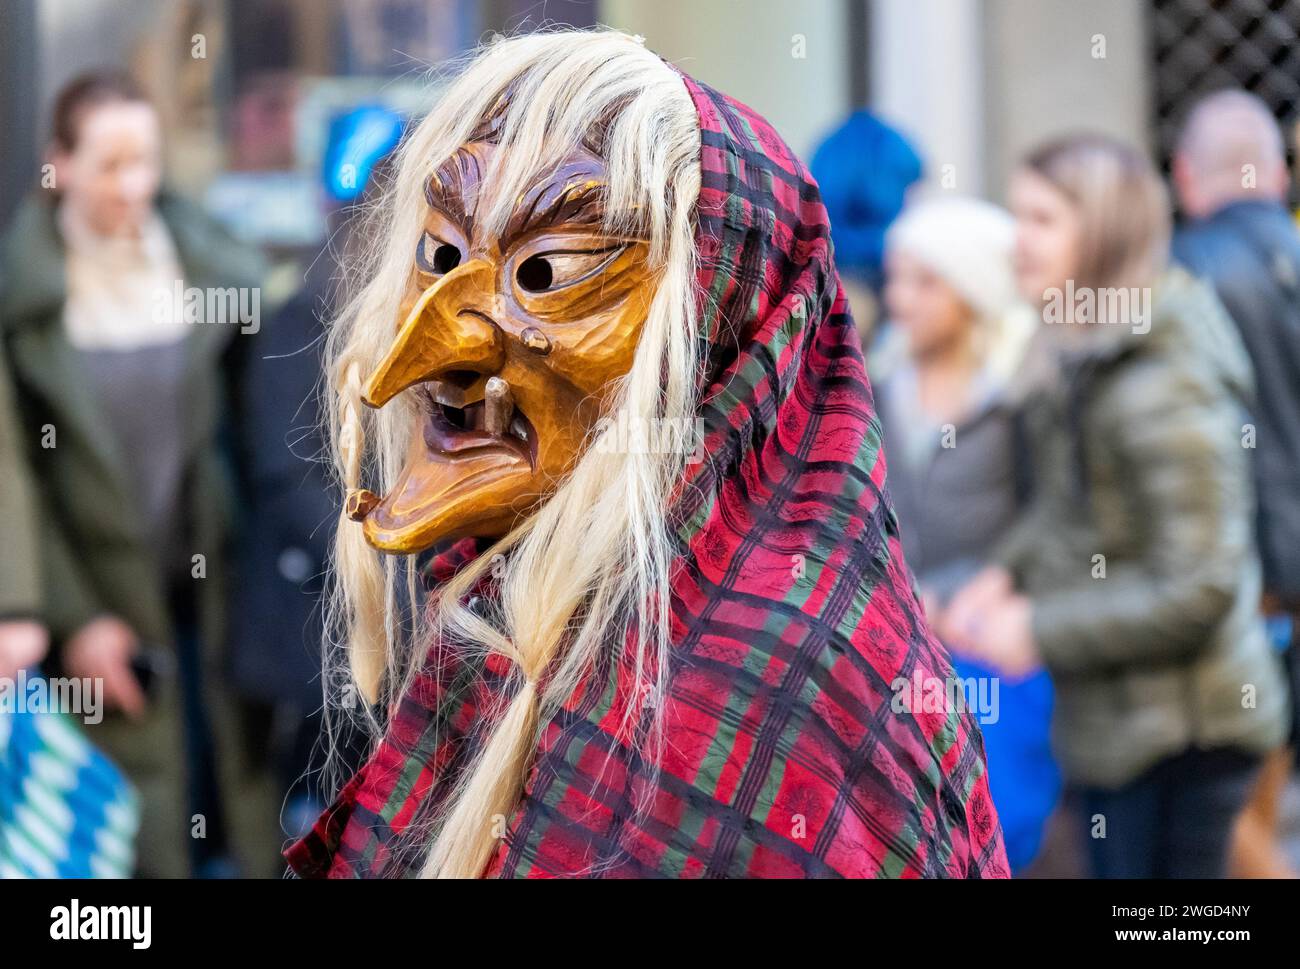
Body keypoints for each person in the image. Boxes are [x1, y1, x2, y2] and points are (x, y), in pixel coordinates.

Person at [285, 29, 1008, 879]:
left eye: (548, 272)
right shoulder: (507, 597)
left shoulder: (772, 685)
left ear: (711, 329)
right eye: (440, 255)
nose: (428, 351)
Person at [942, 134, 1289, 878]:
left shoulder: (1159, 375)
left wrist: (1039, 627)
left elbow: (1201, 583)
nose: (1017, 242)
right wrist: (1002, 576)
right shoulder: (1086, 350)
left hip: (1182, 733)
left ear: (1099, 230)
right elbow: (1071, 514)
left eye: (1041, 219)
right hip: (1120, 721)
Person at [0, 71, 273, 876]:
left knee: (231, 797)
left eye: (145, 162)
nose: (133, 186)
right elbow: (20, 481)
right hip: (99, 604)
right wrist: (73, 617)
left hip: (208, 593)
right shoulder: (27, 304)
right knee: (124, 833)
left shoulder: (208, 272)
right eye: (110, 164)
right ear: (60, 166)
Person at [873, 195, 1055, 873]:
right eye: (896, 279)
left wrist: (990, 585)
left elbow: (1052, 512)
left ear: (972, 289)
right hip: (902, 643)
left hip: (991, 646)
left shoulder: (1019, 392)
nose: (902, 299)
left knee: (1003, 820)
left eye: (925, 282)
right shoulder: (875, 383)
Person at [1171, 89, 1300, 879]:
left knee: (1226, 812)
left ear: (1186, 176)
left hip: (1239, 586)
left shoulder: (1182, 277)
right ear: (1280, 174)